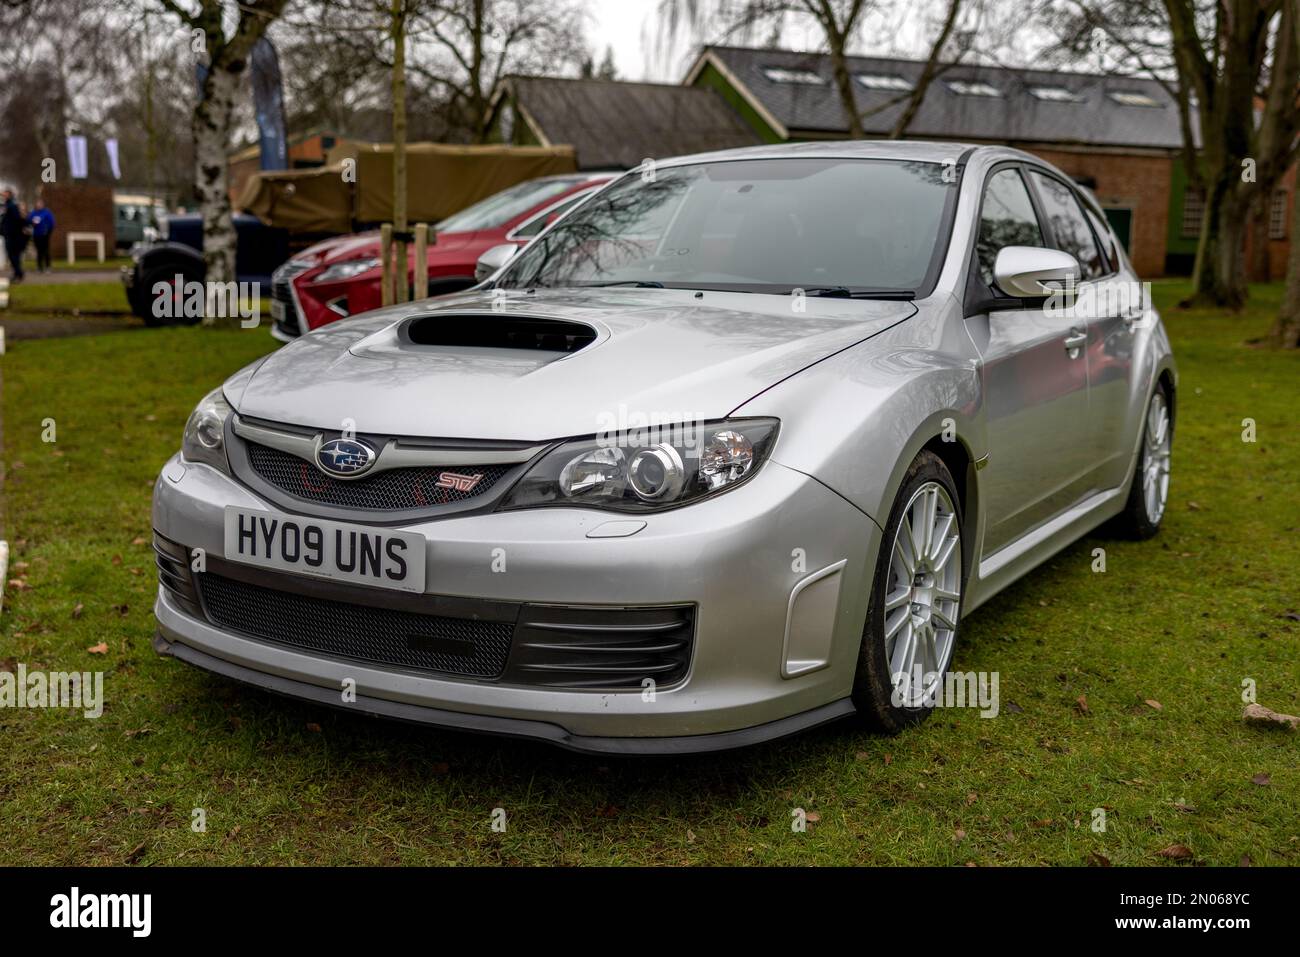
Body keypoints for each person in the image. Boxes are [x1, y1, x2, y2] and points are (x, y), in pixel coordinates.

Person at [1, 189, 25, 282]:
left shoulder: (12, 206)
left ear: (10, 195)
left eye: (5, 194)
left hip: (13, 236)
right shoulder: (7, 205)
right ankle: (17, 273)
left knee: (13, 256)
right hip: (9, 235)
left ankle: (19, 274)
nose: (3, 195)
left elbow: (17, 219)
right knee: (12, 256)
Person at [28, 198, 54, 273]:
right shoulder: (33, 213)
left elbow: (52, 223)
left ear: (43, 204)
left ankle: (48, 267)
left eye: (40, 204)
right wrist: (32, 223)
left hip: (45, 234)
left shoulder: (47, 213)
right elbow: (28, 221)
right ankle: (39, 267)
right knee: (39, 251)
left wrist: (48, 232)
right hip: (36, 235)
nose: (39, 205)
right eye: (37, 204)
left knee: (46, 250)